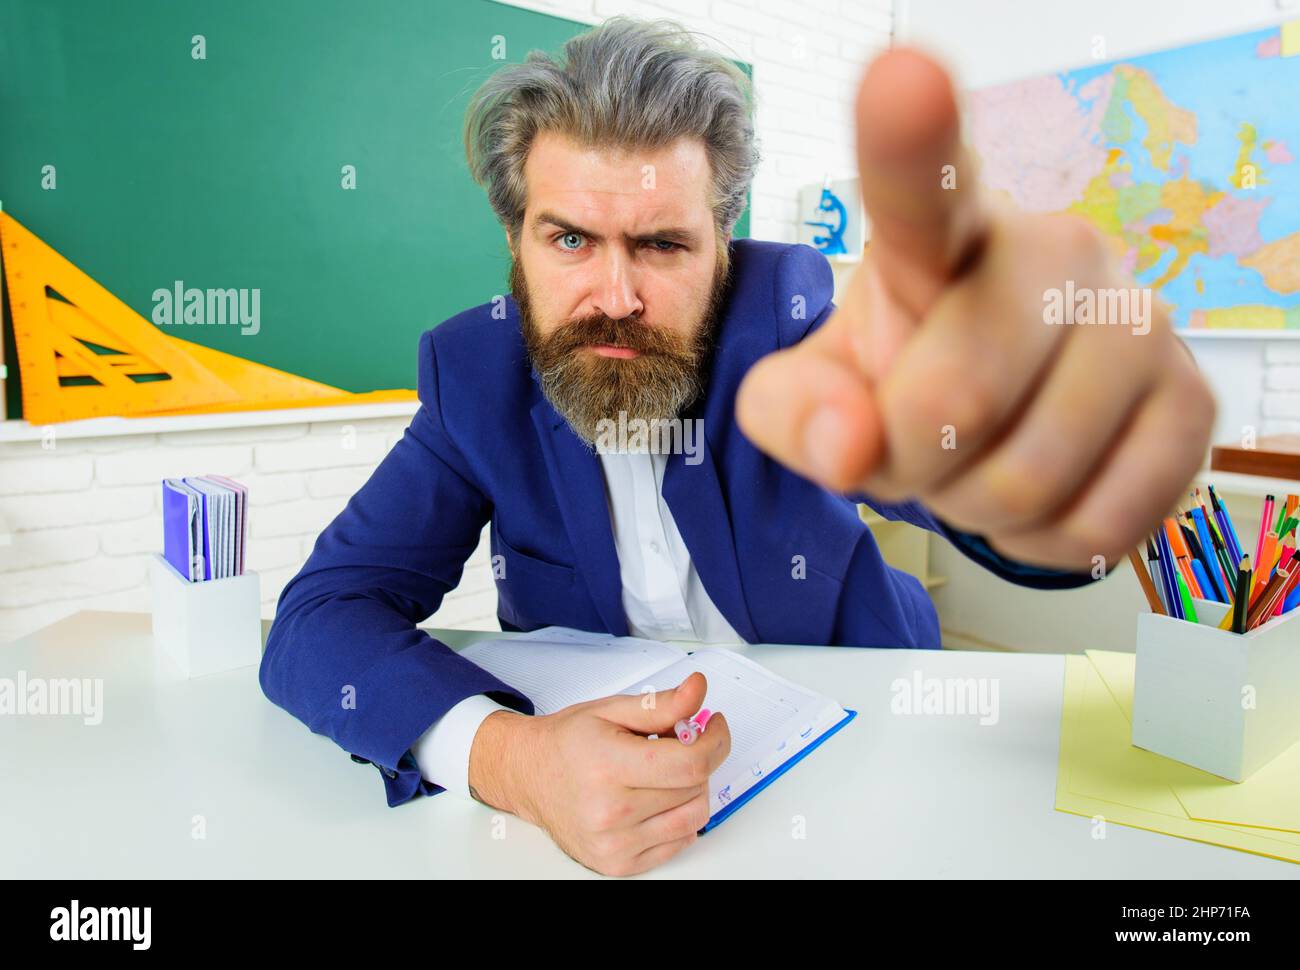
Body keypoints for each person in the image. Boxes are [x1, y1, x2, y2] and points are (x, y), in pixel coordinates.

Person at [260, 17, 1214, 876]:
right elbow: (319, 618)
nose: (617, 297)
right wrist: (508, 760)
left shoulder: (789, 325)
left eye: (663, 246)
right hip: (602, 814)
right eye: (570, 241)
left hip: (874, 749)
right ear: (516, 241)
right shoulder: (474, 377)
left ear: (724, 244)